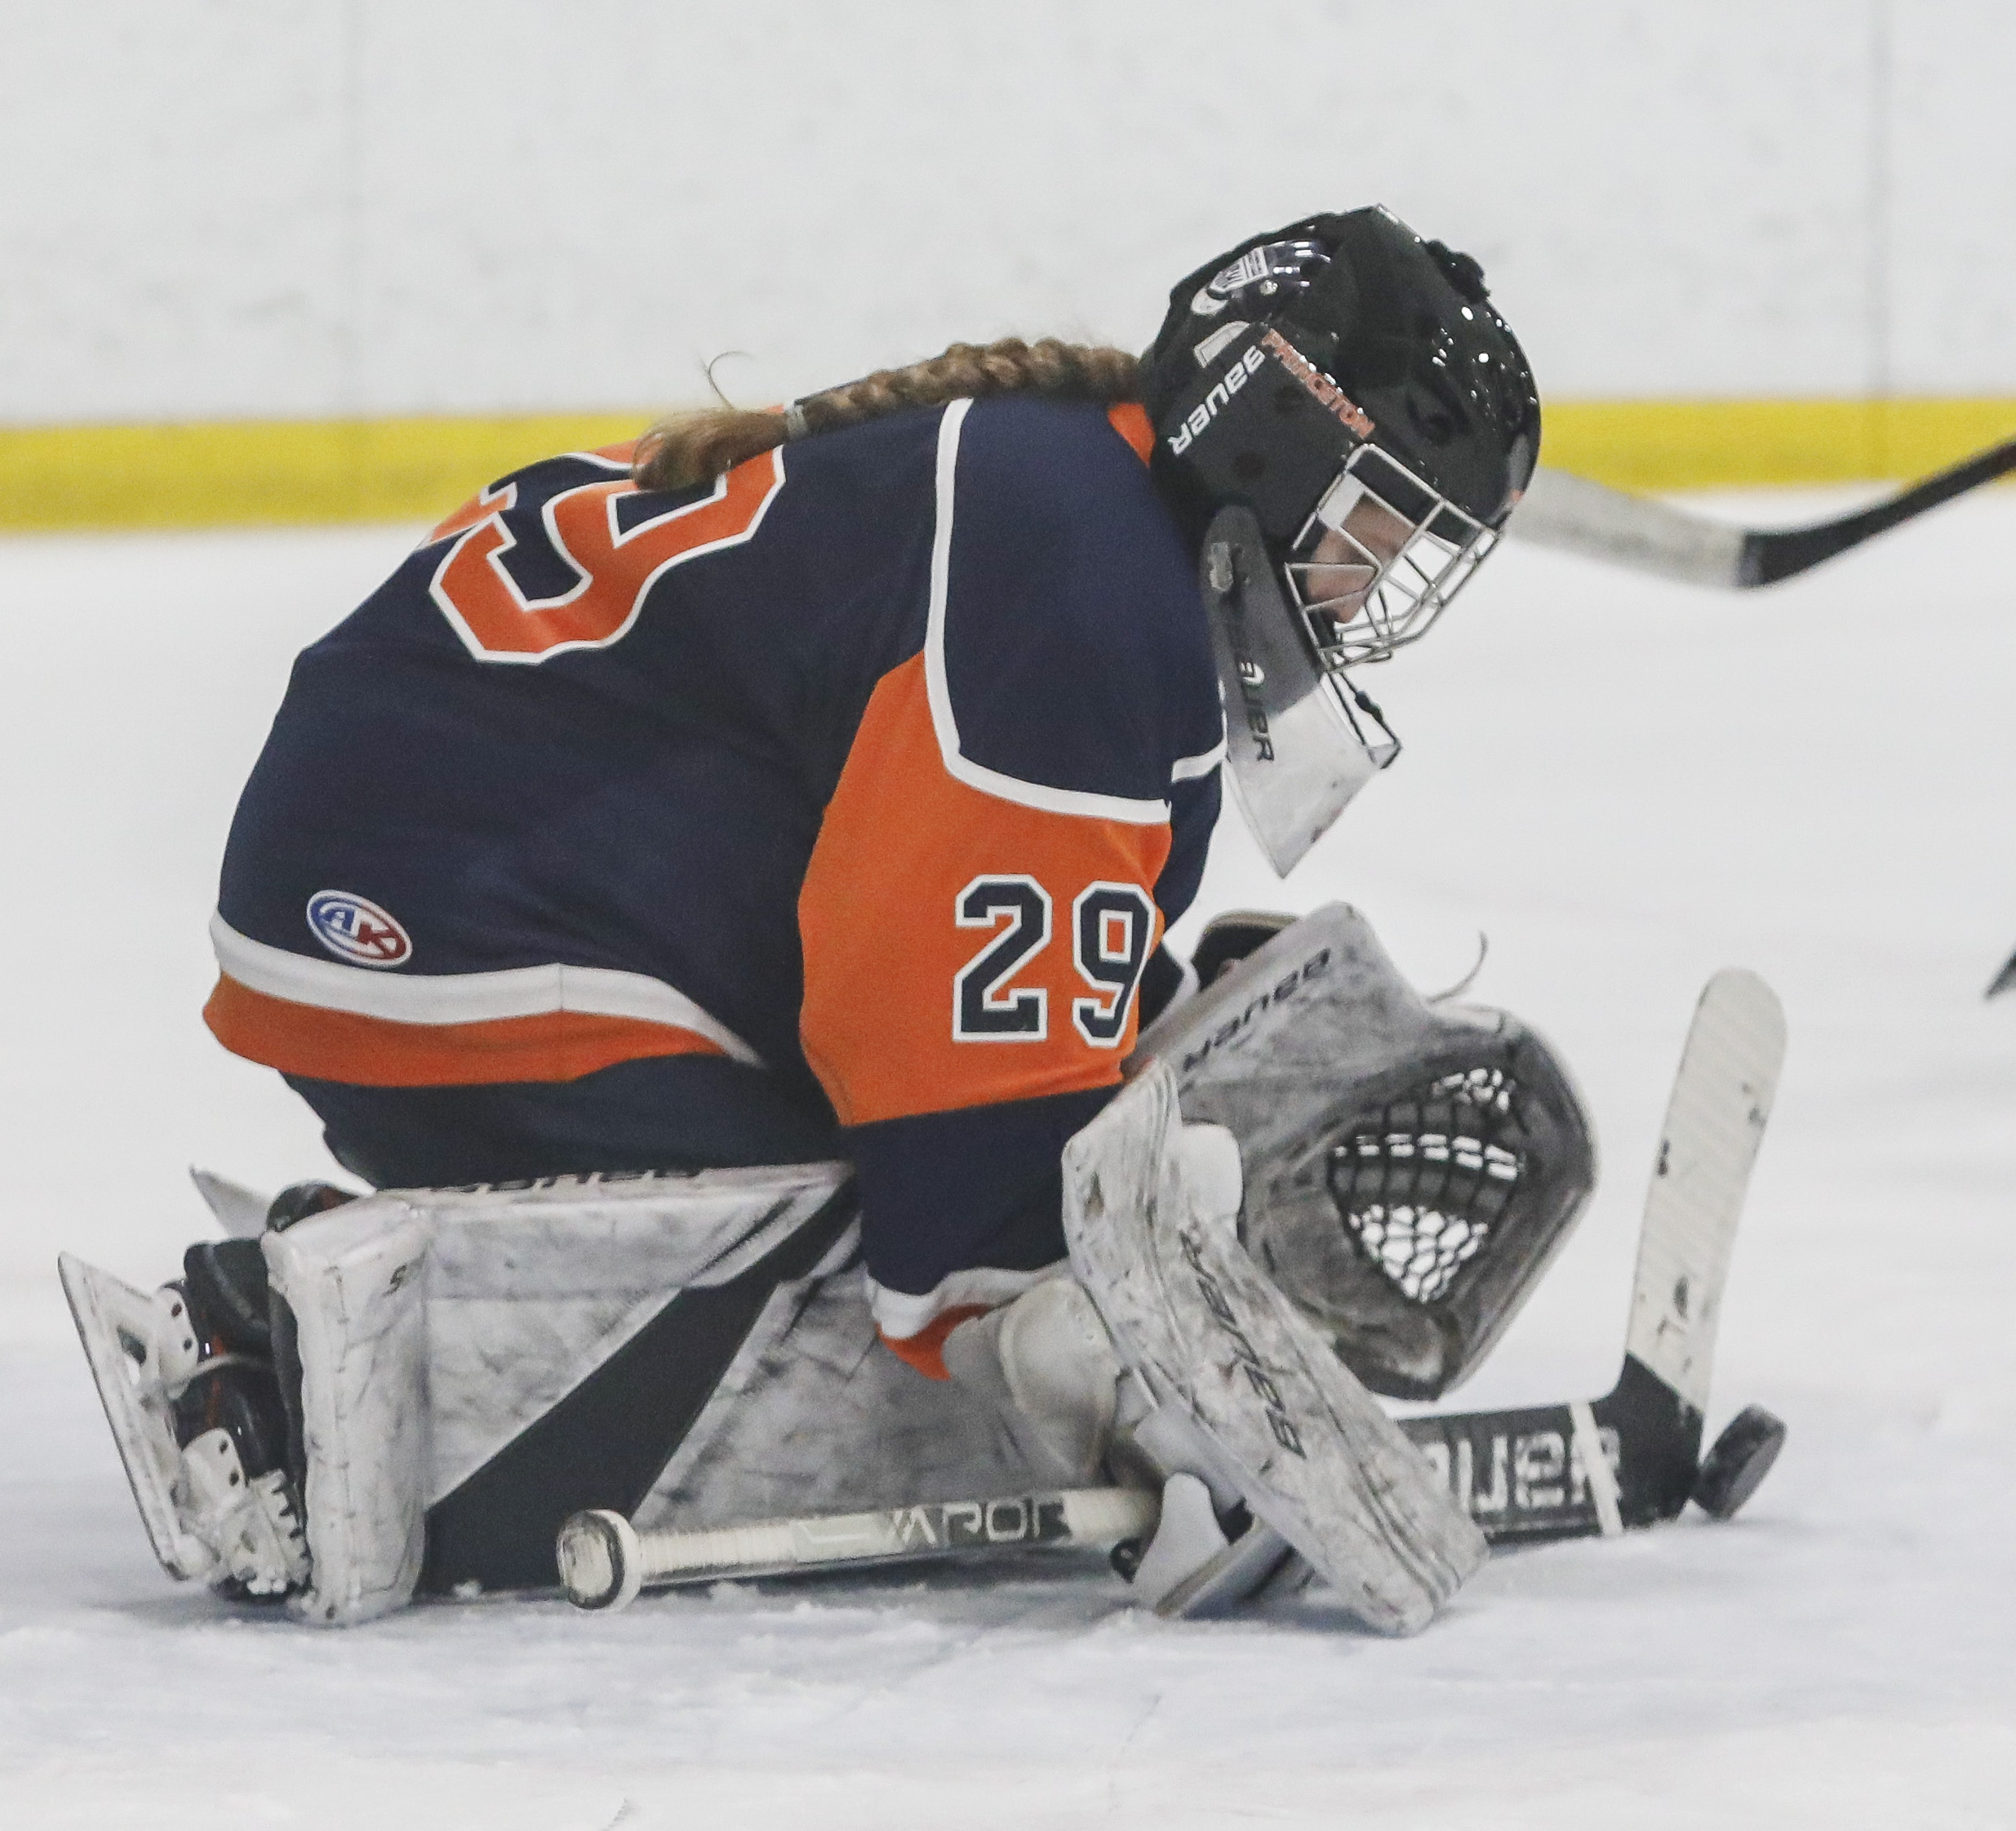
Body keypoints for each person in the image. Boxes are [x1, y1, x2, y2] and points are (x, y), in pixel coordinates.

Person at [108, 205, 1543, 1613]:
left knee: (944, 1209)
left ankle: (427, 1268)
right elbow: (940, 1061)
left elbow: (942, 904)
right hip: (454, 908)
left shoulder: (1074, 506)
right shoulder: (1079, 572)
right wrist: (1137, 1383)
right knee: (885, 1297)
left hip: (449, 864)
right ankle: (310, 1371)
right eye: (1373, 525)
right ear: (1271, 439)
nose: (1367, 592)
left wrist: (1163, 1043)